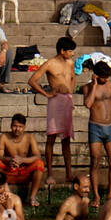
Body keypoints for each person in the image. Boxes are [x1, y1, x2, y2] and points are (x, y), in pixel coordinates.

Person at [28, 35, 78, 186]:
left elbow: (73, 77)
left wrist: (71, 92)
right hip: (55, 101)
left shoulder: (70, 62)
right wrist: (47, 94)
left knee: (66, 139)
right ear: (62, 51)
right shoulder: (49, 63)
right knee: (52, 138)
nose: (72, 53)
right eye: (70, 51)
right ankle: (50, 173)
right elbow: (32, 81)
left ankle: (69, 173)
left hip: (67, 100)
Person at [84, 61, 111, 208]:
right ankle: (95, 196)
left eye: (107, 77)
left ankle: (109, 194)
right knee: (95, 161)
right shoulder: (88, 87)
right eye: (103, 77)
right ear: (96, 75)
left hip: (110, 127)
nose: (106, 80)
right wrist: (94, 85)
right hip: (95, 127)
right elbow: (88, 104)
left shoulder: (109, 85)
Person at [0, 113, 46, 207]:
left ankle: (32, 197)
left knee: (39, 164)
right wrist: (9, 160)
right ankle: (3, 194)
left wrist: (22, 160)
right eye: (14, 126)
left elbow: (37, 156)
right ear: (10, 126)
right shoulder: (4, 137)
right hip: (9, 172)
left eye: (20, 127)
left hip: (25, 173)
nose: (17, 129)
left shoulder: (29, 137)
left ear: (24, 127)